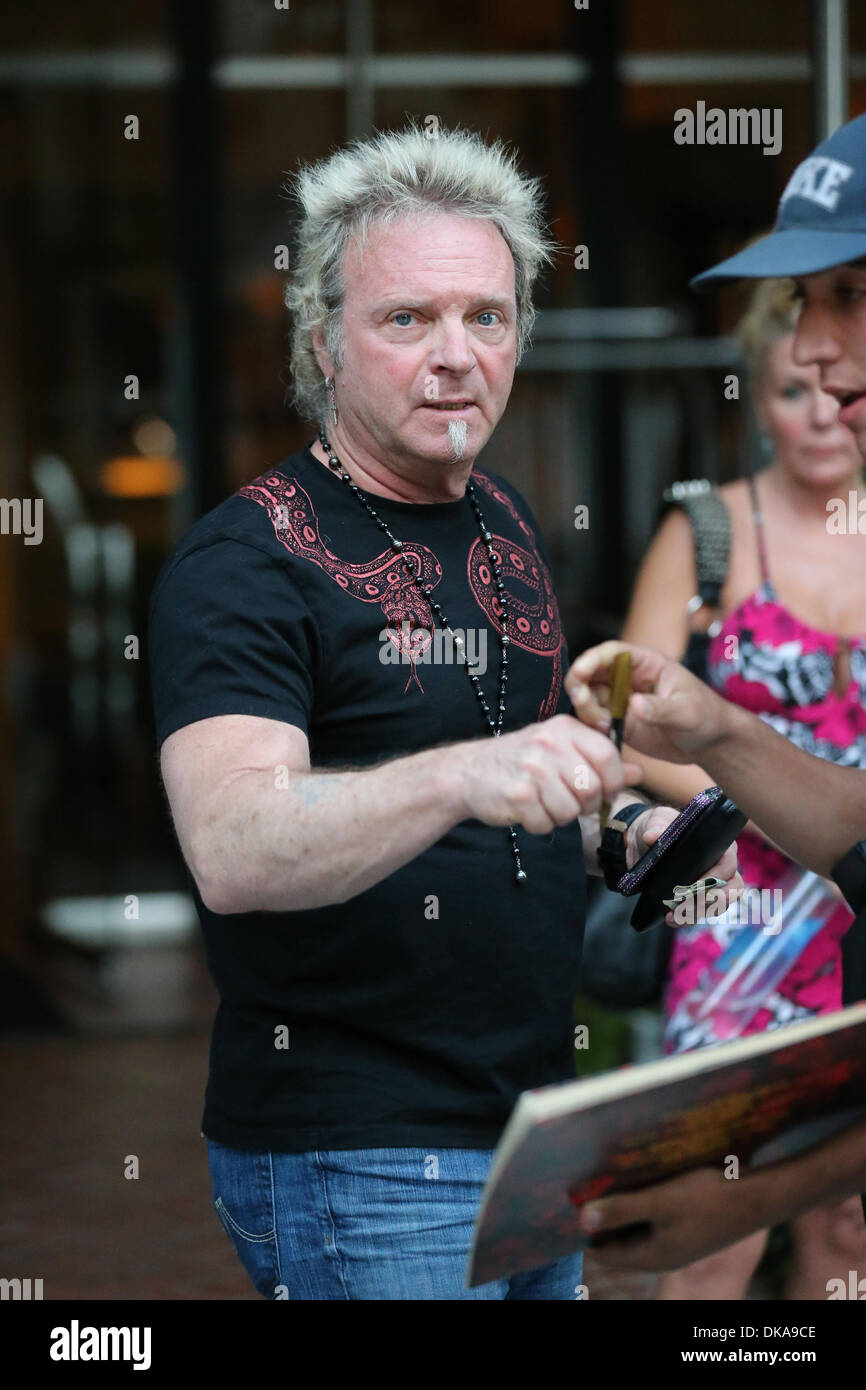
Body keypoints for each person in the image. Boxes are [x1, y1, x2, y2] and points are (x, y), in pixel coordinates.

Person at [148, 124, 740, 1302]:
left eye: (486, 314)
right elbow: (231, 847)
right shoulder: (243, 562)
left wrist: (614, 824)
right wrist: (462, 775)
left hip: (528, 1130)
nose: (455, 355)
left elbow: (516, 782)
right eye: (405, 318)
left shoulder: (501, 520)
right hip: (358, 1146)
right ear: (323, 341)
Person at [564, 109, 866, 1278]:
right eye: (797, 311)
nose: (815, 354)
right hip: (743, 931)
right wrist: (706, 729)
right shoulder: (704, 532)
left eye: (843, 293)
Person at [619, 273, 866, 1299]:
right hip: (742, 915)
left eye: (840, 390)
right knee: (709, 1220)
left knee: (847, 1225)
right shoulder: (707, 532)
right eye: (787, 393)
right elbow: (631, 716)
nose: (817, 415)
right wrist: (749, 794)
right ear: (754, 402)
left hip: (860, 909)